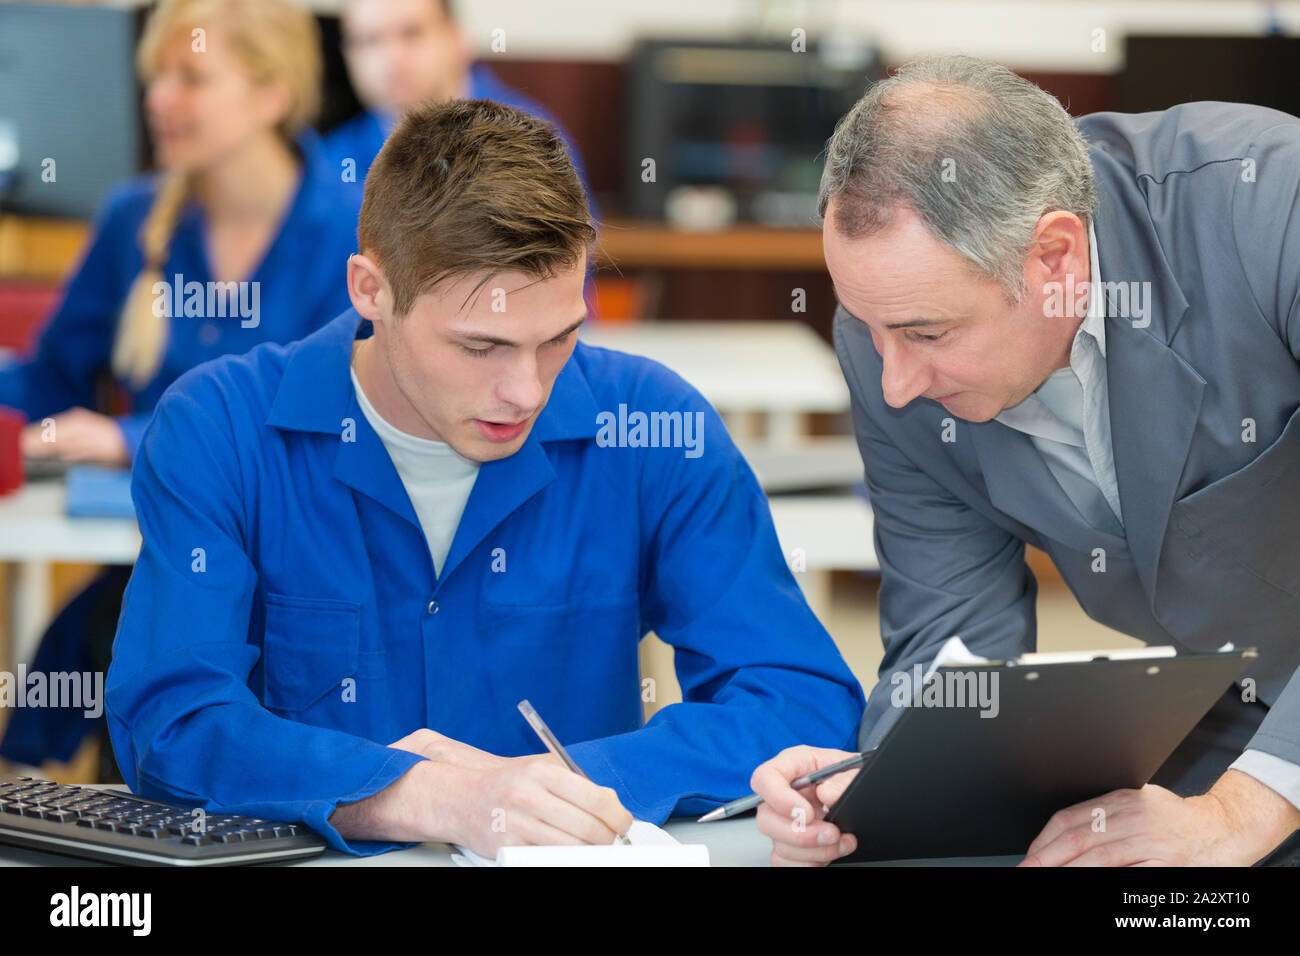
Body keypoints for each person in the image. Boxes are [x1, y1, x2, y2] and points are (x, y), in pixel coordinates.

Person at [105, 98, 865, 858]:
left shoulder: (652, 425)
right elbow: (171, 724)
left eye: (559, 336)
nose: (527, 391)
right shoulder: (220, 429)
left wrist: (559, 786)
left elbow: (803, 704)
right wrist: (419, 795)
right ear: (371, 291)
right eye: (480, 347)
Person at [753, 54, 1300, 867]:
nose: (893, 383)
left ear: (1054, 258)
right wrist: (881, 787)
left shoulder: (1270, 208)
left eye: (927, 334)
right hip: (1227, 715)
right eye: (869, 326)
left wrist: (1249, 807)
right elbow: (950, 629)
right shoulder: (887, 337)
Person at [0, 0, 361, 775]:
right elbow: (52, 374)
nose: (159, 97)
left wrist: (126, 439)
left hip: (301, 592)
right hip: (149, 580)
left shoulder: (351, 229)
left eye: (190, 76)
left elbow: (329, 420)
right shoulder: (134, 215)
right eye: (156, 75)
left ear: (271, 93)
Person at [323, 0, 595, 211]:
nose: (391, 58)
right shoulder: (333, 160)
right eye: (369, 40)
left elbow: (569, 271)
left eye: (411, 33)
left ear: (458, 39)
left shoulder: (535, 141)